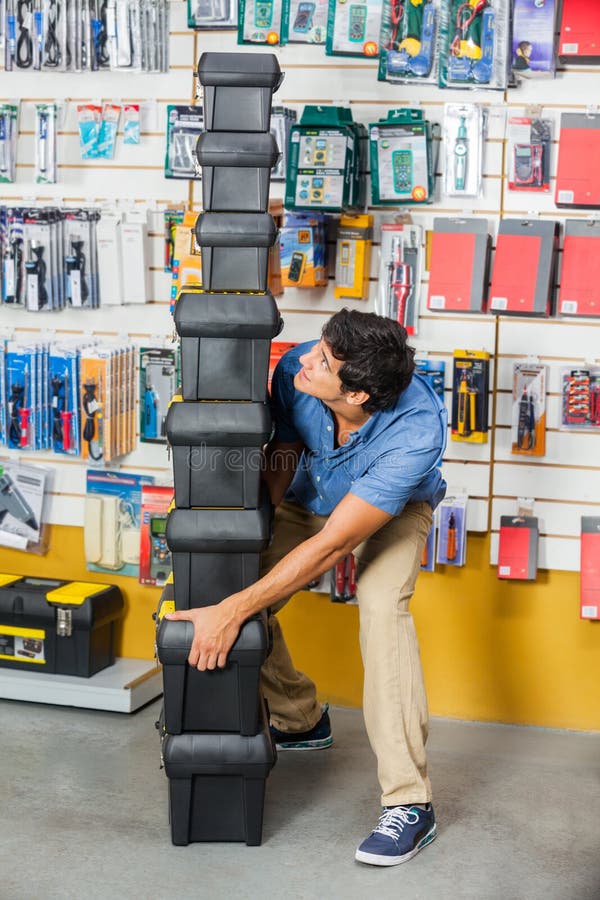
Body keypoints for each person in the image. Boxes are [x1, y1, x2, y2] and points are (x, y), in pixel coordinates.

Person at [166, 308, 447, 866]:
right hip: (311, 491)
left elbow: (333, 547)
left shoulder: (417, 432)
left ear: (360, 395)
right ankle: (301, 717)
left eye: (324, 360)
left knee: (381, 612)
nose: (306, 358)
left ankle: (410, 803)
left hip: (385, 511)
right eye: (318, 348)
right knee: (245, 585)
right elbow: (288, 446)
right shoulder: (298, 369)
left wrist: (234, 607)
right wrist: (259, 528)